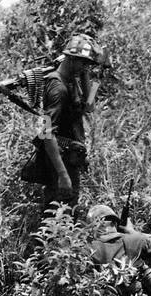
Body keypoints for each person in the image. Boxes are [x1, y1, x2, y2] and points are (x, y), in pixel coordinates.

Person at [38, 33, 103, 207]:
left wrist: (86, 74)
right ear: (72, 59)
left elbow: (90, 106)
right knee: (56, 218)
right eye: (84, 63)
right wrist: (62, 174)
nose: (85, 68)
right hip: (60, 162)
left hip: (70, 159)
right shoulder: (57, 87)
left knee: (68, 217)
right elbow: (46, 133)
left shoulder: (71, 82)